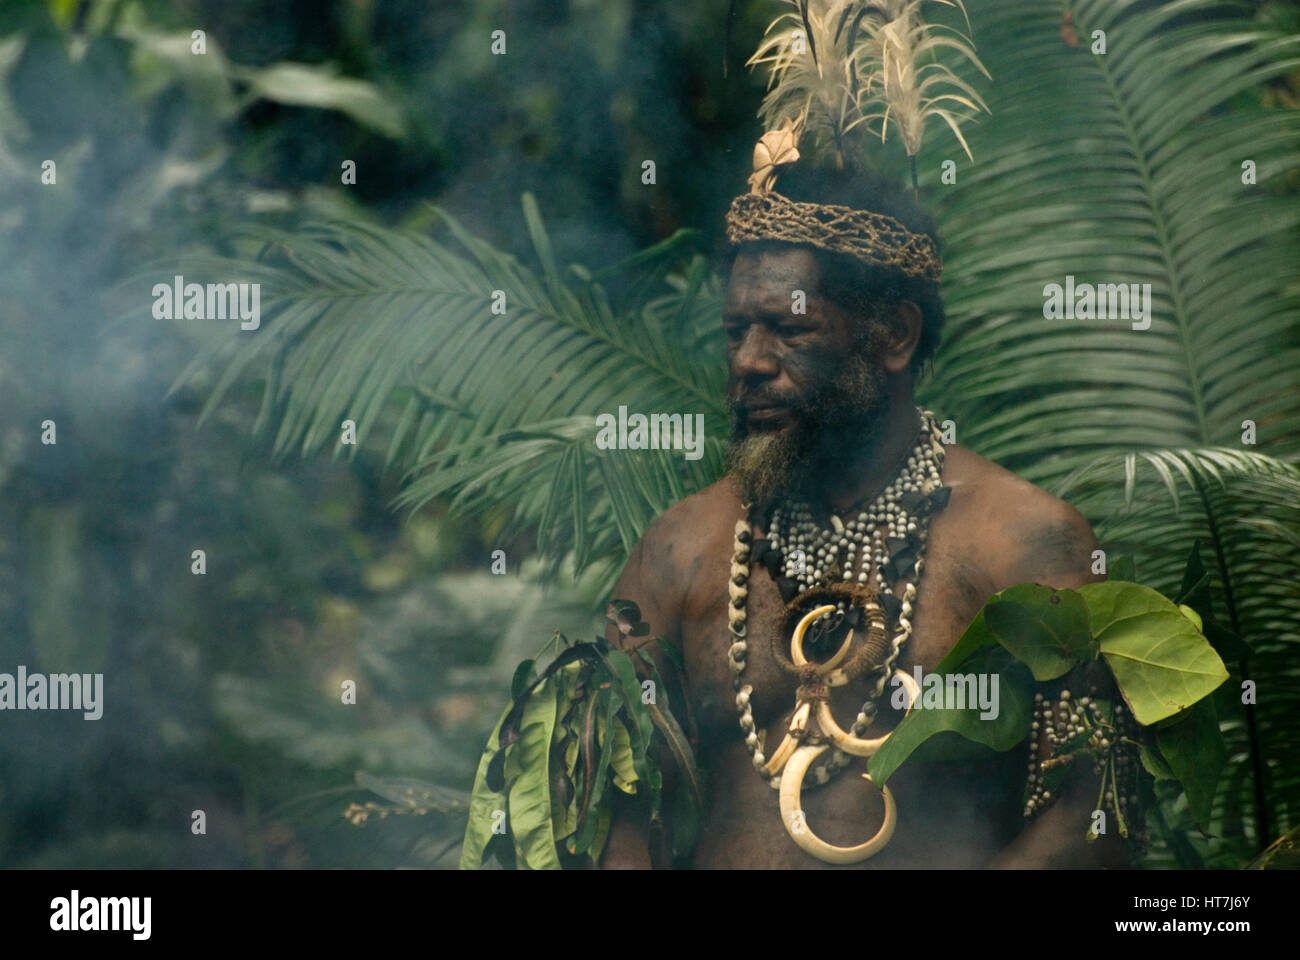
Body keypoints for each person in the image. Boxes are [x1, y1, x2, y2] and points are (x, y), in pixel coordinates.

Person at [598, 162, 1127, 869]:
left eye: (788, 328)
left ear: (893, 337)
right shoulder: (680, 549)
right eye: (734, 332)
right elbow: (619, 809)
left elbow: (1098, 812)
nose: (749, 362)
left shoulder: (1025, 545)